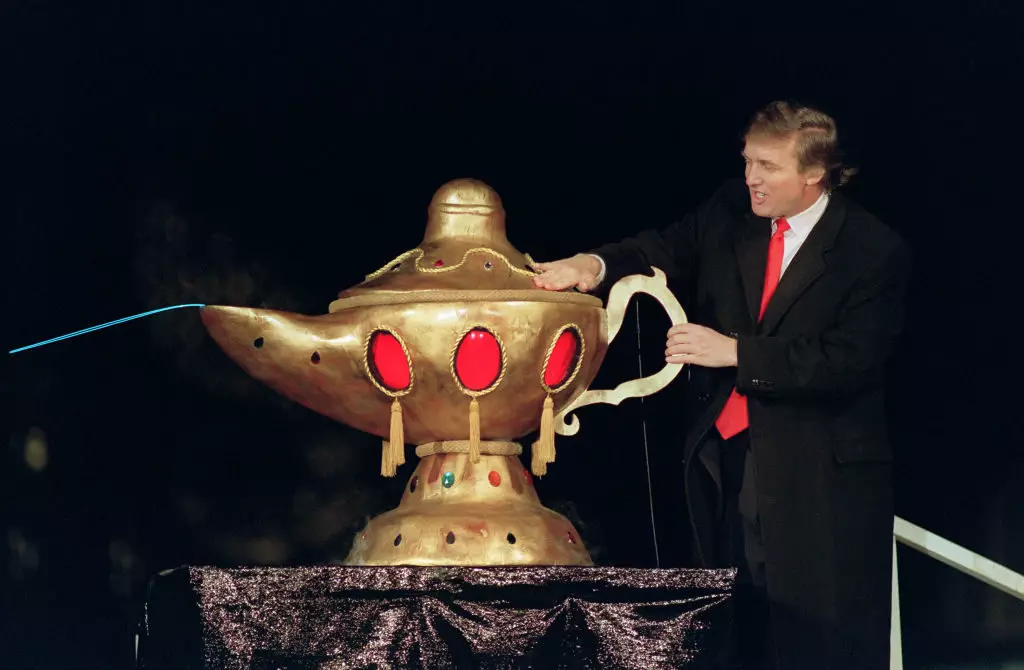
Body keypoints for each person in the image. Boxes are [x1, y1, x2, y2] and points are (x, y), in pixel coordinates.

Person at [532, 100, 910, 669]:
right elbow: (662, 248)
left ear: (815, 174)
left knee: (814, 640)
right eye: (747, 161)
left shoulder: (872, 250)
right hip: (724, 457)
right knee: (736, 628)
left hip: (815, 478)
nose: (751, 177)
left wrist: (734, 353)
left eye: (767, 166)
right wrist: (591, 264)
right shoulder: (731, 210)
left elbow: (847, 359)